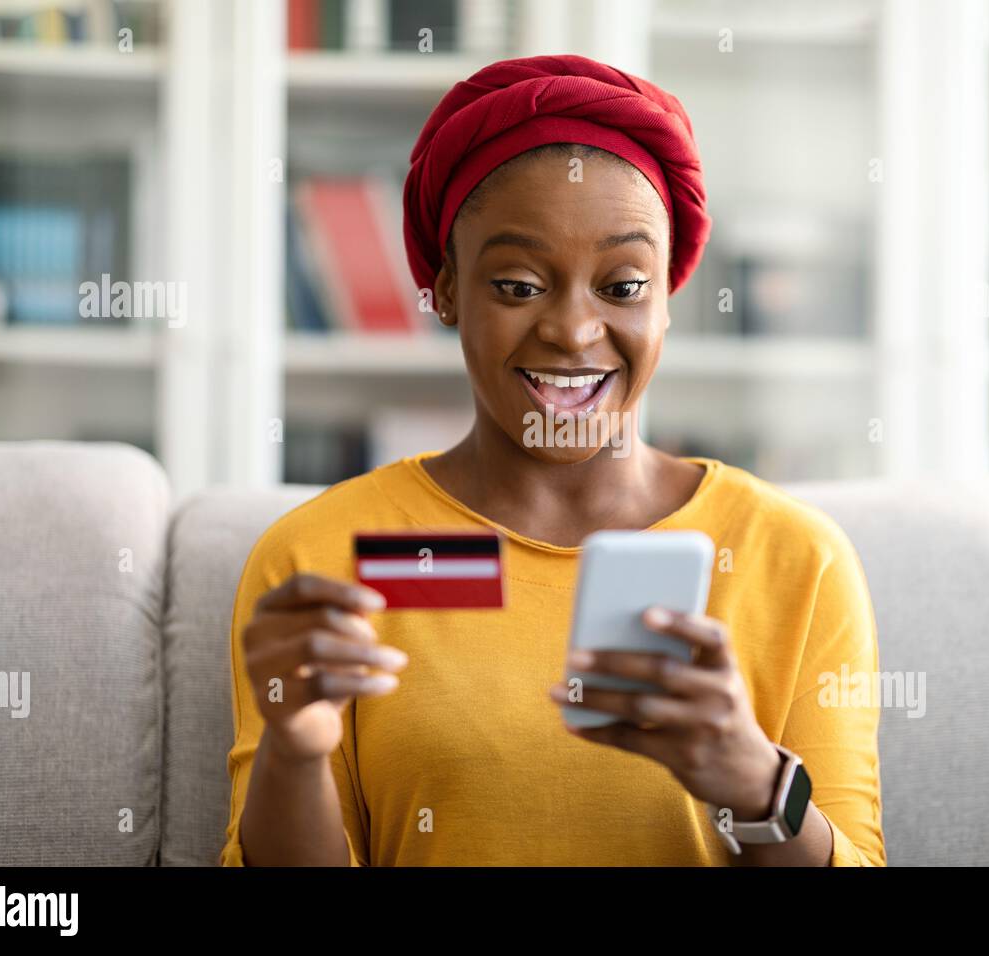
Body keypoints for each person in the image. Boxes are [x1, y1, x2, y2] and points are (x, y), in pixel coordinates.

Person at [221, 54, 885, 866]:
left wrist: (757, 785)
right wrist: (294, 747)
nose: (573, 331)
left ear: (668, 297)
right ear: (447, 290)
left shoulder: (797, 560)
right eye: (518, 285)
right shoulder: (318, 557)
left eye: (622, 285)